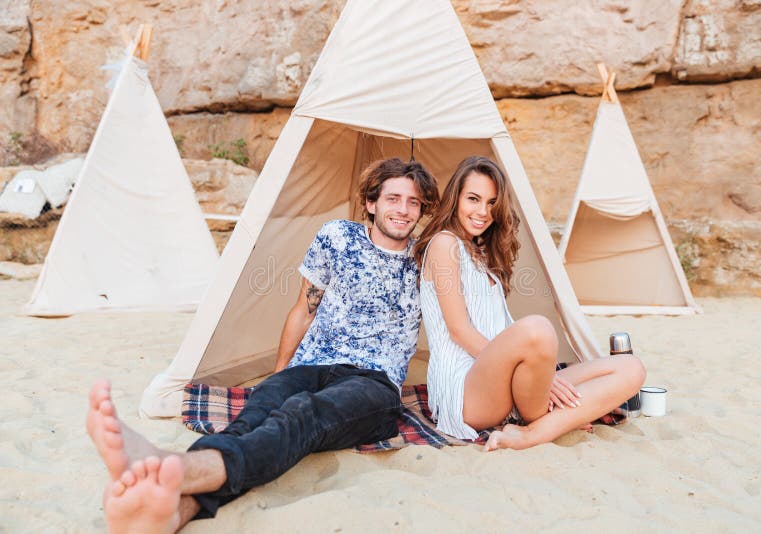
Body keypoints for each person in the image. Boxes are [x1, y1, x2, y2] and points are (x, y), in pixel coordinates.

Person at [87, 157, 439, 532]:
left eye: (413, 202)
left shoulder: (427, 257)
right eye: (393, 198)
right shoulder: (338, 236)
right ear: (372, 203)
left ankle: (179, 467)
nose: (403, 210)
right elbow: (304, 308)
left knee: (302, 412)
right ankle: (178, 511)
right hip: (312, 365)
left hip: (372, 382)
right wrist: (280, 375)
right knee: (258, 415)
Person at [413, 156, 645, 451]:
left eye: (491, 203)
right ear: (455, 198)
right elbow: (459, 331)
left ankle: (543, 422)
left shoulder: (479, 252)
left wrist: (541, 379)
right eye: (473, 199)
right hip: (467, 389)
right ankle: (536, 431)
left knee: (631, 368)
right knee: (537, 328)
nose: (482, 212)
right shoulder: (444, 244)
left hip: (506, 381)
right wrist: (545, 378)